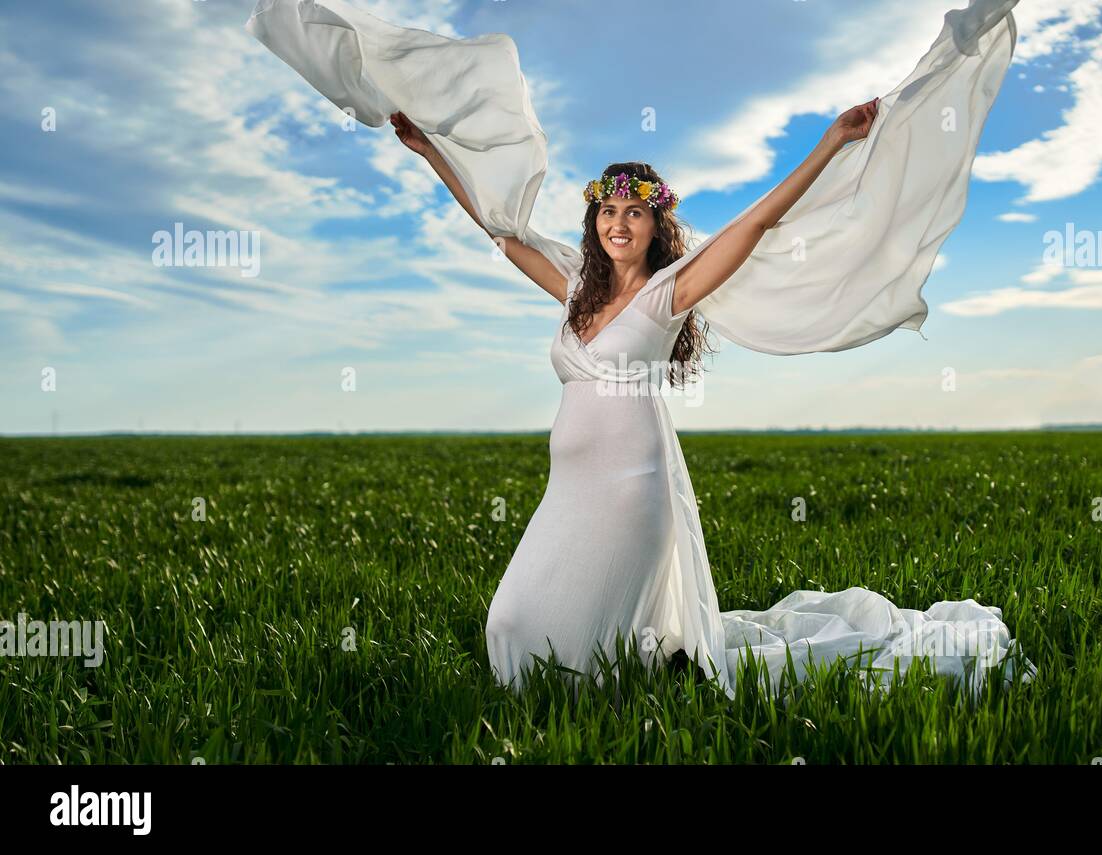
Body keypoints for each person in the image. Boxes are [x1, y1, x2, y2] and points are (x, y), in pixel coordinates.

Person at [248, 0, 1035, 700]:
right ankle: (649, 673)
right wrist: (432, 155)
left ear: (658, 228)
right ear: (594, 223)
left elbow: (751, 227)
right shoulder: (574, 288)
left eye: (635, 213)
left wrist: (830, 142)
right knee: (513, 631)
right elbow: (500, 230)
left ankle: (646, 693)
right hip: (571, 491)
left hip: (632, 491)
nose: (618, 223)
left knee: (582, 664)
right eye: (607, 212)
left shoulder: (669, 292)